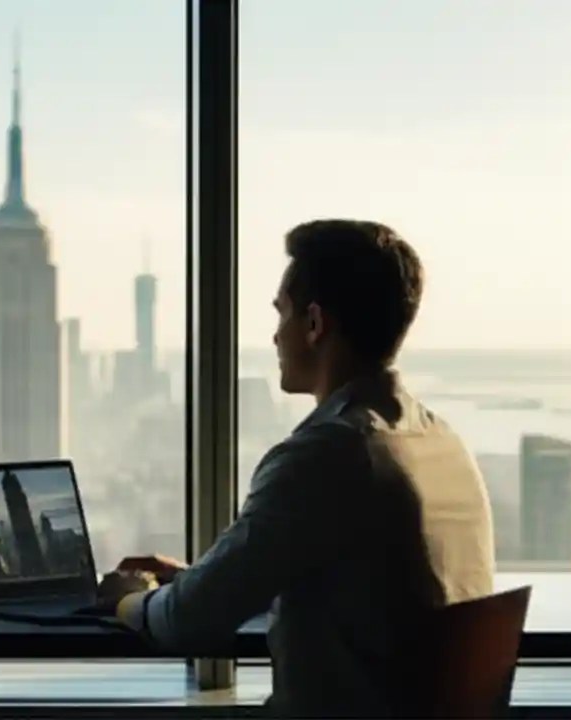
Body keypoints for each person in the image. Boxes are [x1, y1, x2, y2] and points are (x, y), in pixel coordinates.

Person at [99, 219, 494, 718]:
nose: (274, 334)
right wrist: (204, 578)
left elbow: (187, 622)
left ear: (313, 324)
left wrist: (127, 601)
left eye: (281, 312)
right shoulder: (442, 442)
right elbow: (365, 597)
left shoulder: (327, 455)